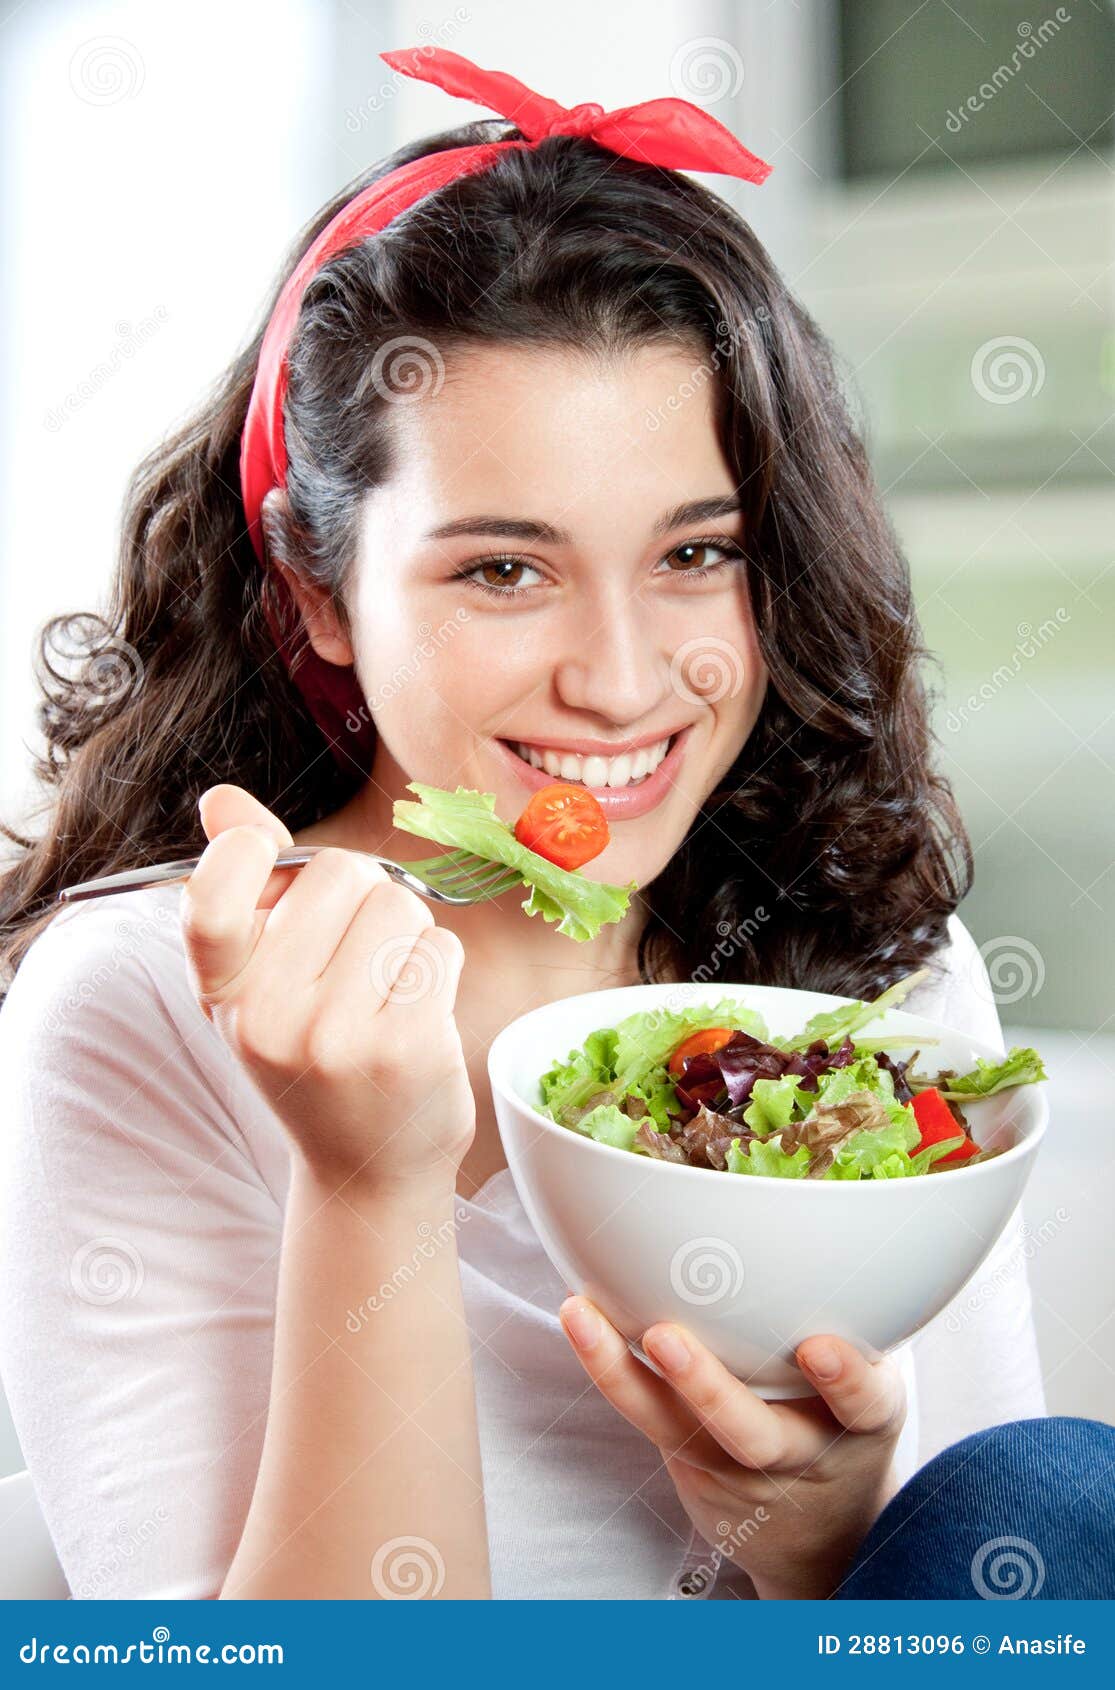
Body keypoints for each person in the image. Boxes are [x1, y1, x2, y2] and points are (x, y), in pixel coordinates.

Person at [0, 47, 1050, 1601]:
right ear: (317, 591)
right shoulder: (147, 999)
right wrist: (367, 1188)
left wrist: (824, 1531)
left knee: (1055, 1487)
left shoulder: (876, 971)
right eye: (505, 570)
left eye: (699, 554)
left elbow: (990, 1582)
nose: (623, 683)